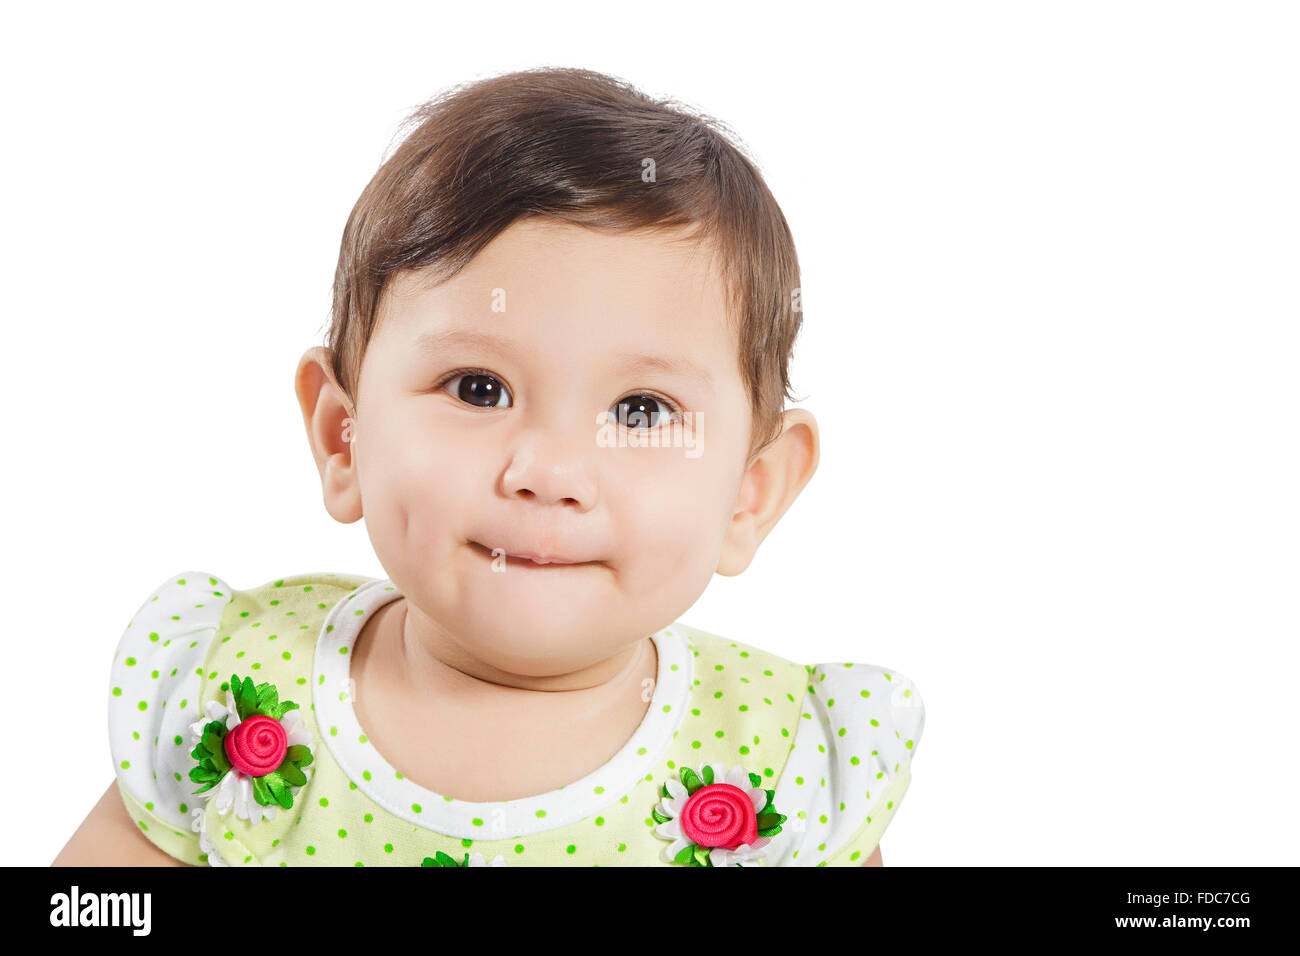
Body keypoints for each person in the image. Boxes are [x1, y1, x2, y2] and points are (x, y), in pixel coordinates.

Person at [54, 66, 923, 867]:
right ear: (342, 436)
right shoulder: (236, 692)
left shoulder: (778, 766)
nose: (548, 471)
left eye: (641, 411)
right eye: (479, 388)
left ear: (750, 492)